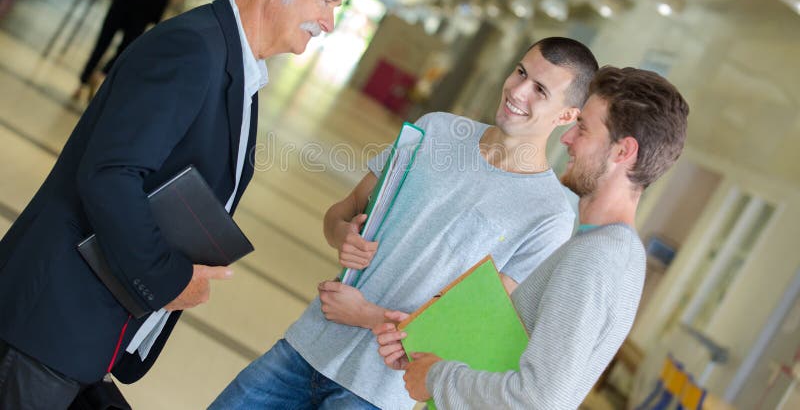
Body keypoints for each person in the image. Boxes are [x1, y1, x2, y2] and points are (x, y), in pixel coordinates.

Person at [0, 0, 348, 409]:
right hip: (50, 321)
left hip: (89, 331)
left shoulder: (234, 66)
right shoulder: (193, 49)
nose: (328, 22)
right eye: (327, 0)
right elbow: (111, 174)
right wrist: (168, 280)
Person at [211, 37, 600, 409]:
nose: (518, 91)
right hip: (307, 345)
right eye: (520, 73)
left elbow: (465, 325)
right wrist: (343, 235)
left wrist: (367, 316)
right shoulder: (435, 130)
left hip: (378, 394)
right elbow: (341, 213)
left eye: (540, 90)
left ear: (567, 116)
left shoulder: (549, 216)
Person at [375, 66, 690, 409]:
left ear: (623, 151)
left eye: (583, 128)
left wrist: (438, 377)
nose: (567, 138)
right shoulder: (616, 252)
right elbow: (516, 358)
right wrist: (431, 343)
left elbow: (538, 400)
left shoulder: (595, 258)